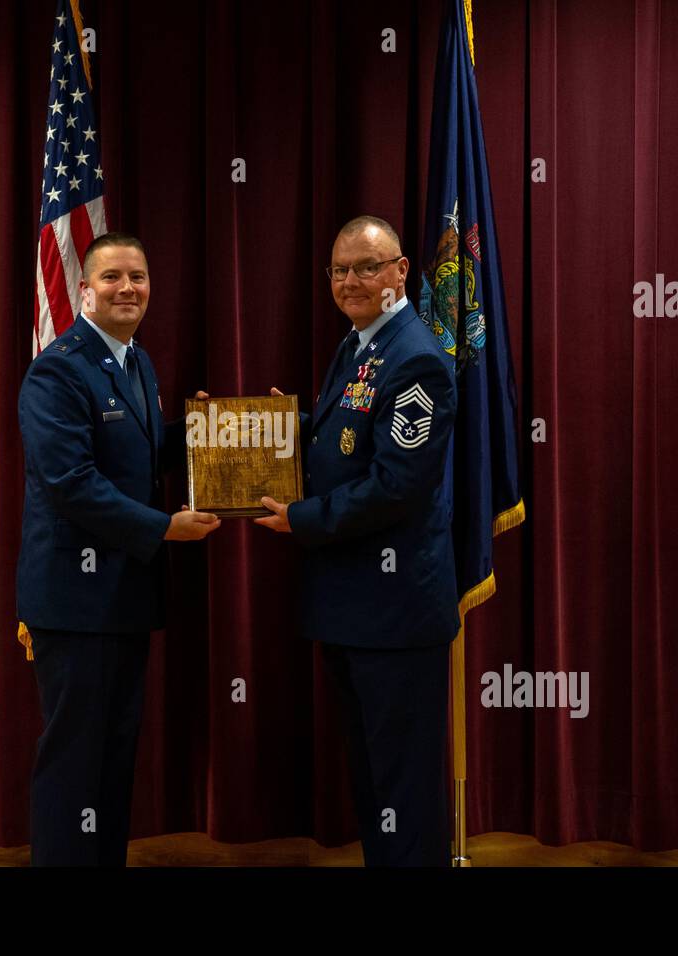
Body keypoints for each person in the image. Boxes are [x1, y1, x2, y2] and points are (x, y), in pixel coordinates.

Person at [255, 215, 459, 866]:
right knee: (375, 785)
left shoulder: (418, 359)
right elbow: (347, 434)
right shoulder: (364, 344)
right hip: (351, 608)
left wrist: (303, 518)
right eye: (340, 270)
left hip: (395, 614)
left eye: (368, 267)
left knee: (405, 786)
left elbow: (396, 485)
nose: (351, 281)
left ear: (402, 272)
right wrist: (287, 425)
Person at [15, 232, 220, 866]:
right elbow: (71, 482)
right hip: (76, 604)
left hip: (123, 598)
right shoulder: (58, 369)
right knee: (76, 761)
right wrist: (163, 528)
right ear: (84, 289)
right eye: (112, 277)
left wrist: (208, 431)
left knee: (111, 759)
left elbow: (139, 449)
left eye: (138, 276)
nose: (127, 288)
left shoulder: (134, 360)